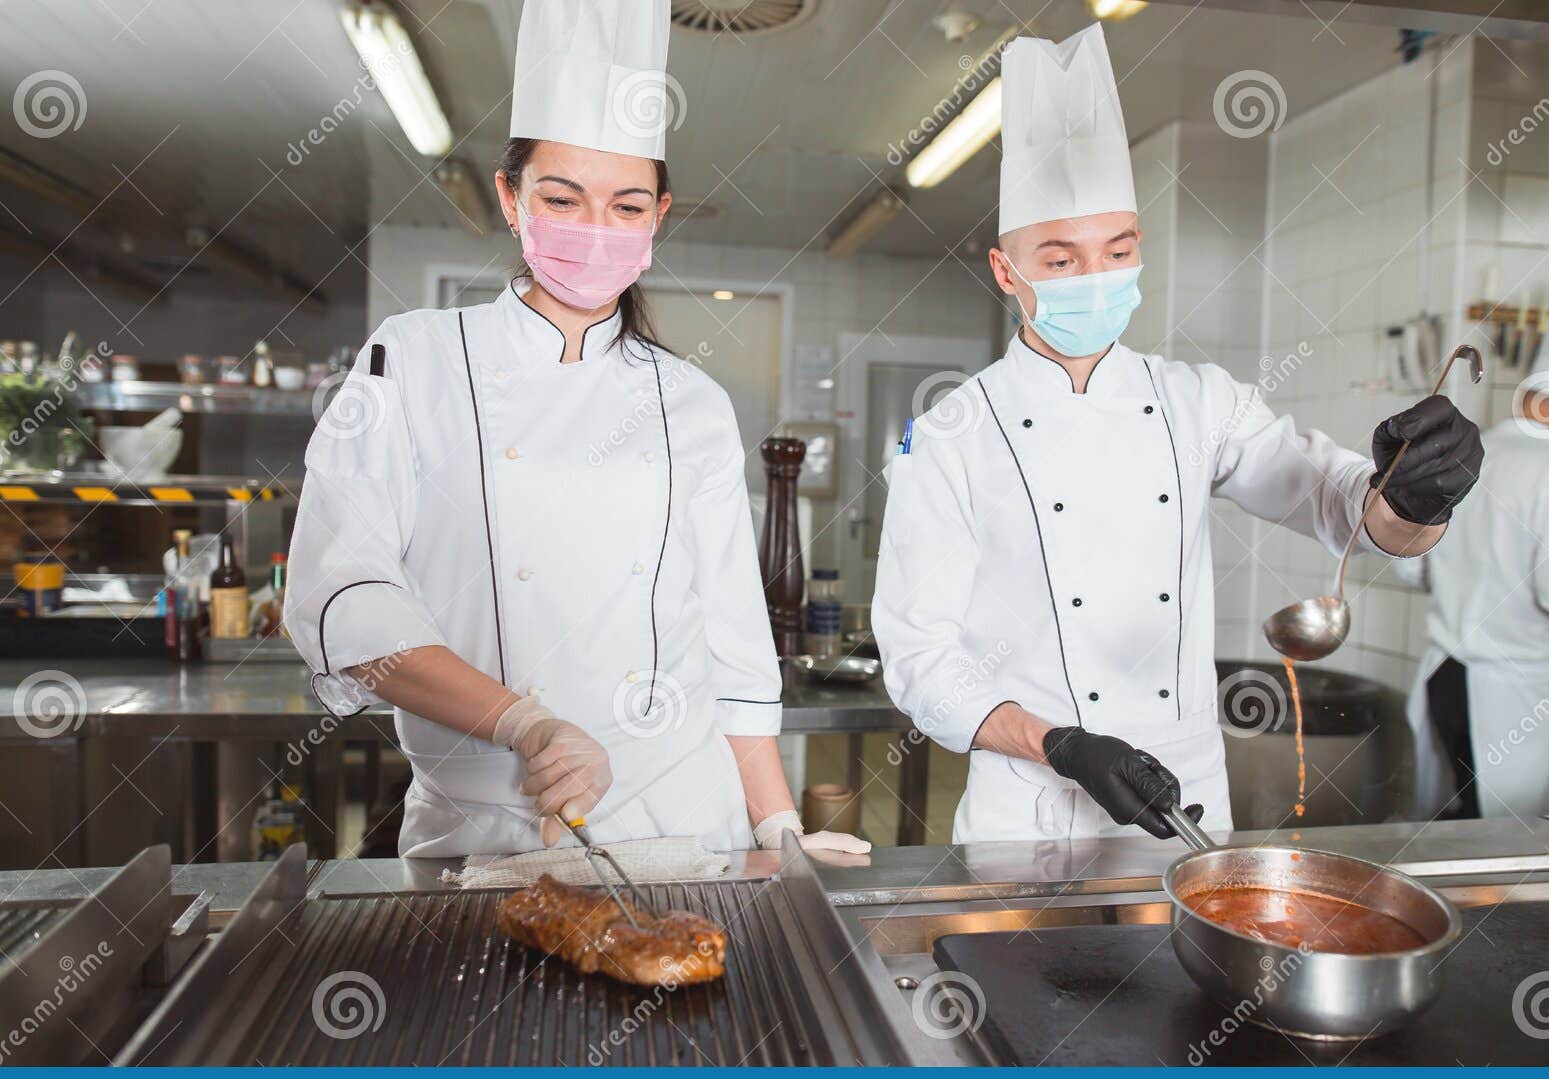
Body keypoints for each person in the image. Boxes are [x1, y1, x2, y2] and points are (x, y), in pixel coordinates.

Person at [872, 23, 1483, 844]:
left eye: (1117, 250)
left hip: (1186, 804)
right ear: (1005, 272)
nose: (1096, 277)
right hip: (1031, 817)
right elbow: (918, 660)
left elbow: (1345, 510)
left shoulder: (1200, 402)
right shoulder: (943, 435)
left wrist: (1415, 493)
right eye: (1060, 260)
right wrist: (1059, 742)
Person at [286, 0, 867, 859]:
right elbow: (341, 606)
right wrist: (526, 721)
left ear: (658, 217)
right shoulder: (413, 362)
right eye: (562, 198)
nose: (595, 231)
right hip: (485, 834)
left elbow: (735, 652)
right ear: (510, 199)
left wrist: (777, 830)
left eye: (627, 207)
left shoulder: (693, 401)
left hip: (684, 826)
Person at [1406, 291, 1549, 819]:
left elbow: (1409, 561)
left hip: (1444, 676)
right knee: (1504, 845)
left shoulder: (1470, 453)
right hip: (1509, 696)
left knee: (1450, 830)